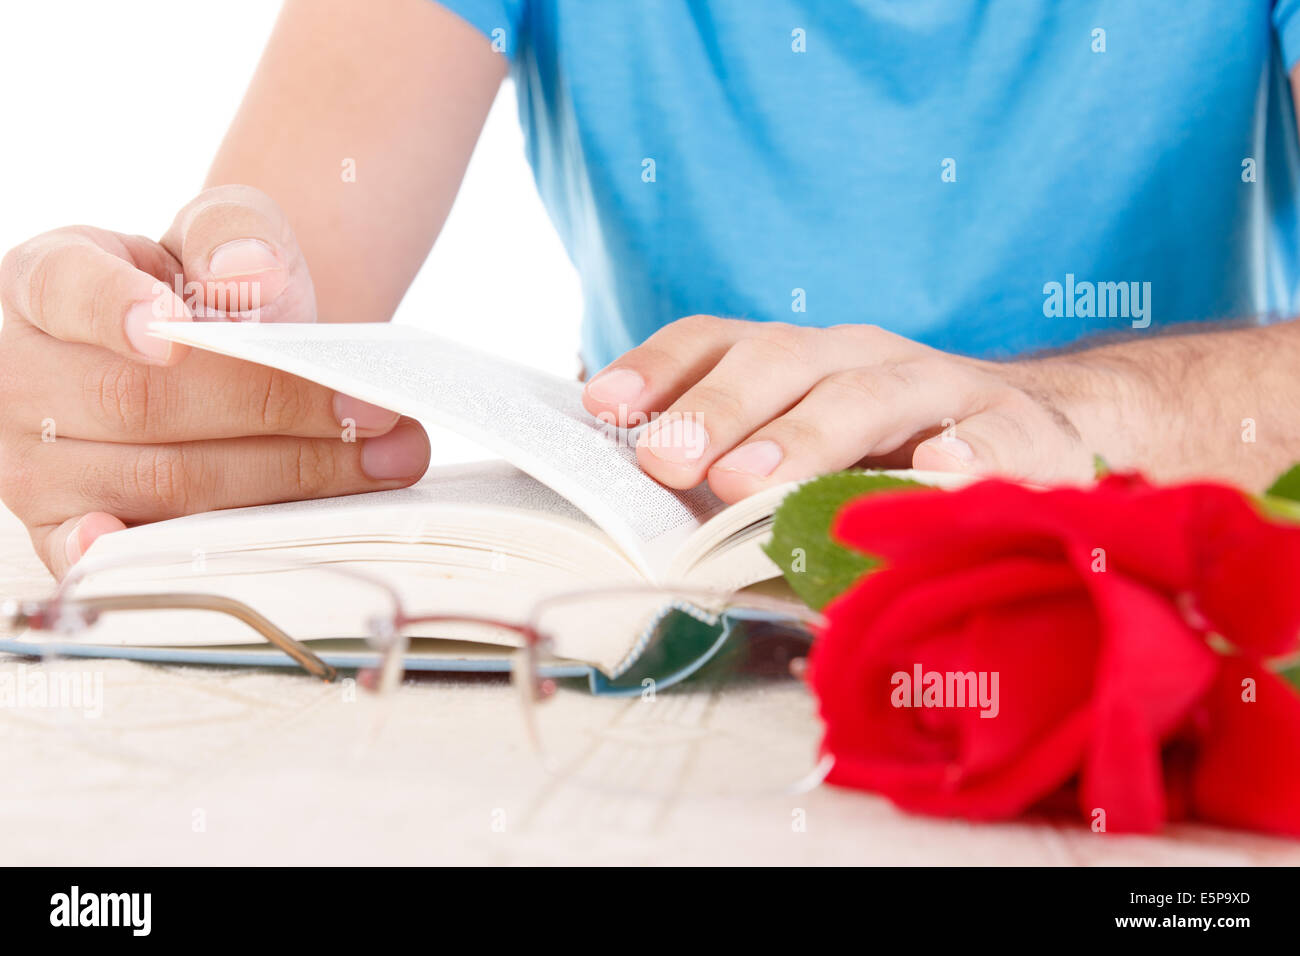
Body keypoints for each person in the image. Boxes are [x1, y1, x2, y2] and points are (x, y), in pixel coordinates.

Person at [4, 0, 1300, 578]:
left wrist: (1082, 418)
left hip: (1159, 622)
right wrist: (131, 369)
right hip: (682, 643)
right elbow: (265, 360)